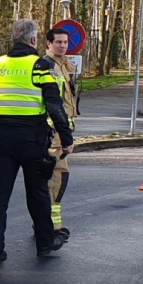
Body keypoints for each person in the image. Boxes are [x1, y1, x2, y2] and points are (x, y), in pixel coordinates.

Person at [0, 19, 76, 261]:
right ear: (34, 40)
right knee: (38, 192)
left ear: (14, 37)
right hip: (32, 139)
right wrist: (67, 138)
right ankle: (44, 244)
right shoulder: (40, 66)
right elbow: (55, 106)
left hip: (1, 139)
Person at [42, 25, 82, 242]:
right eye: (58, 42)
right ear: (48, 43)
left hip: (61, 132)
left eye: (65, 42)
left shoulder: (65, 66)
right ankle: (51, 226)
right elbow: (53, 104)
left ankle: (51, 224)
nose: (62, 46)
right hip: (52, 134)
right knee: (55, 178)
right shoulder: (47, 66)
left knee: (56, 178)